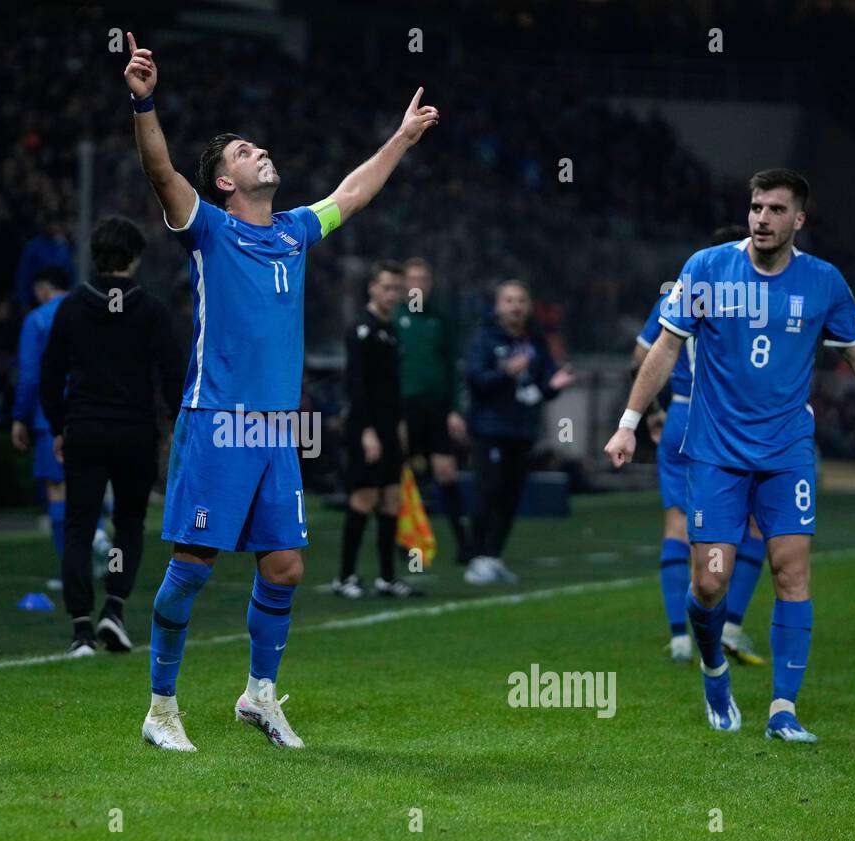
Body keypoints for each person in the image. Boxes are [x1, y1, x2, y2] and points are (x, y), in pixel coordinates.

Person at [123, 31, 438, 750]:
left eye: (257, 147)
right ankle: (161, 708)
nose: (259, 152)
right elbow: (159, 168)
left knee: (288, 566)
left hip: (274, 432)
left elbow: (352, 195)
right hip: (217, 421)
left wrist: (400, 139)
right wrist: (144, 100)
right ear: (226, 183)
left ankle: (259, 696)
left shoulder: (296, 231)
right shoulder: (206, 227)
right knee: (193, 567)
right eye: (243, 153)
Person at [606, 168, 855, 742]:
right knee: (709, 585)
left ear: (799, 219)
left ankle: (783, 710)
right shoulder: (705, 268)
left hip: (786, 452)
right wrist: (629, 424)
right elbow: (665, 346)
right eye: (755, 208)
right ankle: (714, 670)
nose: (762, 219)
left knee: (791, 572)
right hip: (717, 453)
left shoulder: (824, 282)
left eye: (776, 210)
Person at [40, 216, 183, 658]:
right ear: (136, 258)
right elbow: (174, 376)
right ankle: (114, 610)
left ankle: (80, 627)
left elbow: (49, 377)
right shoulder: (151, 310)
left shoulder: (70, 308)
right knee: (129, 524)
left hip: (83, 429)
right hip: (134, 432)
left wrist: (59, 426)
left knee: (80, 528)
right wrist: (175, 428)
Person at [633, 224, 766, 665]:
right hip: (730, 422)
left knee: (677, 525)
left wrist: (653, 411)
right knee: (752, 525)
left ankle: (679, 639)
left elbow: (643, 352)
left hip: (680, 415)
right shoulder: (750, 298)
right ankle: (728, 628)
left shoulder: (681, 291)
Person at [463, 280, 573, 586]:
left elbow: (543, 383)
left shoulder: (536, 341)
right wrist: (506, 371)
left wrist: (555, 384)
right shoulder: (485, 338)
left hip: (522, 428)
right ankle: (477, 557)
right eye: (509, 300)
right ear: (498, 305)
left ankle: (494, 556)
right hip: (489, 427)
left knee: (512, 495)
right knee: (489, 490)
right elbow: (475, 380)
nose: (515, 306)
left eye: (521, 300)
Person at [333, 259, 416, 599]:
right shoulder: (360, 330)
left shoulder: (391, 331)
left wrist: (398, 427)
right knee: (364, 496)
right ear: (372, 287)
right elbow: (356, 385)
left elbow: (392, 388)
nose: (392, 294)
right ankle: (346, 576)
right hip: (364, 425)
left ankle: (386, 577)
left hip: (387, 424)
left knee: (391, 499)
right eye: (386, 287)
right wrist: (366, 431)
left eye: (397, 288)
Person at [396, 257, 469, 563]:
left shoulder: (440, 320)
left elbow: (452, 369)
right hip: (403, 408)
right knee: (402, 475)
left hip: (437, 407)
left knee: (445, 472)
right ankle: (405, 542)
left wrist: (455, 409)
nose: (418, 285)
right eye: (412, 279)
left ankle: (464, 545)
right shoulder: (393, 319)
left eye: (423, 279)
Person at [12, 265, 71, 588]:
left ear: (42, 287)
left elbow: (30, 374)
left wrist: (19, 416)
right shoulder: (88, 312)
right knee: (85, 486)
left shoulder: (37, 319)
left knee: (56, 488)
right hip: (90, 411)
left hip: (51, 416)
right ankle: (100, 545)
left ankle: (69, 569)